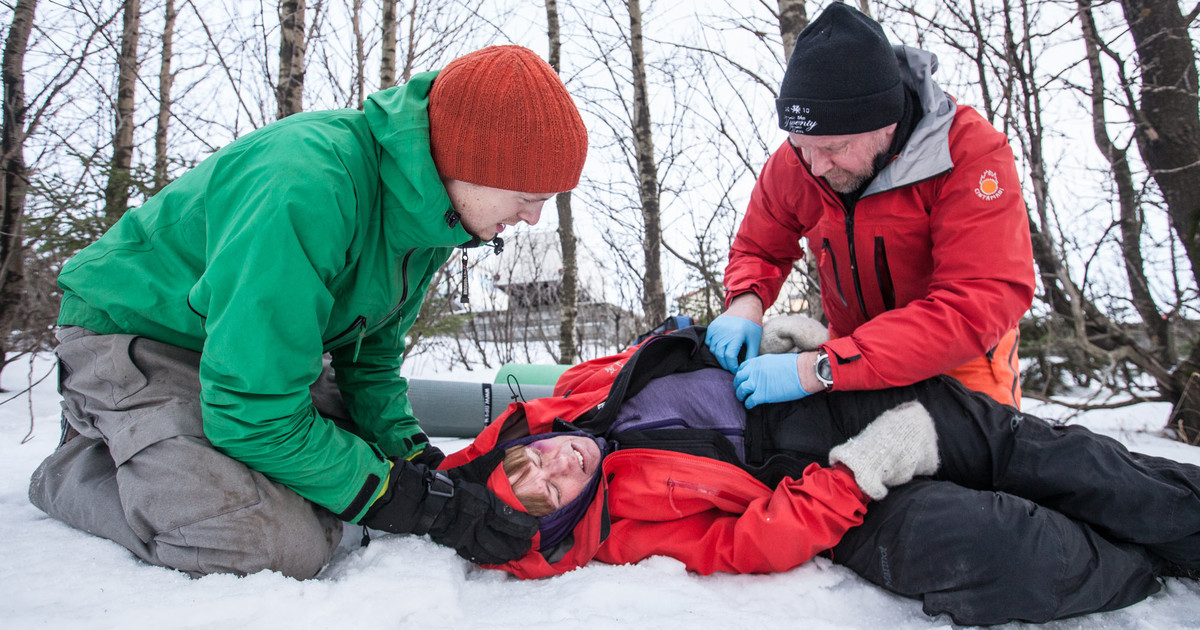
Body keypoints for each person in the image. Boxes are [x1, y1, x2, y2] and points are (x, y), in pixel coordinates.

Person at [27, 45, 588, 578]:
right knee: (269, 539)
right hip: (138, 337)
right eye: (529, 196)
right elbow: (254, 412)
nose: (533, 219)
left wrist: (416, 463)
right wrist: (412, 504)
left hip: (249, 354)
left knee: (351, 467)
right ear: (472, 162)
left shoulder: (434, 221)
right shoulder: (308, 183)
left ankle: (170, 451)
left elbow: (368, 361)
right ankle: (85, 459)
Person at [442, 321, 1200, 626]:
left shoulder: (578, 396)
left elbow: (687, 344)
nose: (557, 465)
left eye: (529, 462)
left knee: (1051, 457)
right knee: (993, 548)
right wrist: (863, 471)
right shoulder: (624, 529)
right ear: (566, 521)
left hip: (823, 393)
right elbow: (751, 544)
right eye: (552, 493)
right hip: (833, 489)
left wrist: (785, 341)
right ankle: (1146, 572)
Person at [706, 2, 1036, 410]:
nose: (813, 165)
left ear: (886, 123)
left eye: (834, 148)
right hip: (848, 364)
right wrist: (746, 301)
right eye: (799, 143)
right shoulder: (801, 159)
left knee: (965, 472)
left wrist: (820, 368)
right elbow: (759, 246)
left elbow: (977, 301)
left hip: (960, 369)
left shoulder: (967, 154)